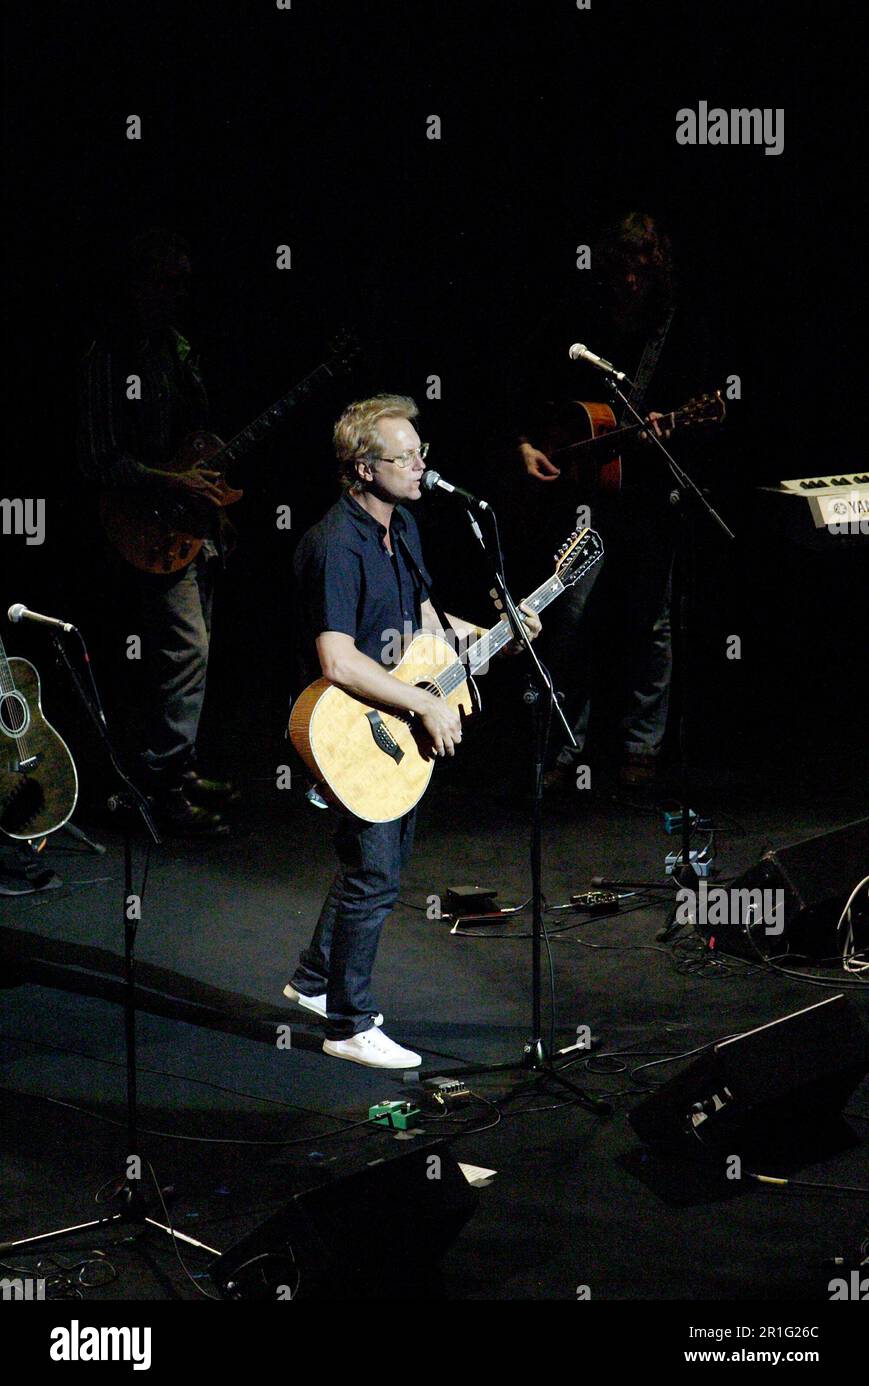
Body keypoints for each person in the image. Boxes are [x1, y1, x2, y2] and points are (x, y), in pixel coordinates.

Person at [286, 394, 541, 1069]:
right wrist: (424, 705)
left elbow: (429, 626)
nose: (421, 466)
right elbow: (337, 659)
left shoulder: (403, 528)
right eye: (405, 457)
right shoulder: (334, 544)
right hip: (354, 728)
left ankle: (314, 981)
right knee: (373, 875)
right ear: (364, 468)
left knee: (370, 868)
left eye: (421, 452)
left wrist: (497, 635)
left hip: (397, 720)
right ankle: (349, 1024)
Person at [516, 212, 709, 791]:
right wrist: (527, 443)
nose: (629, 281)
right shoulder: (581, 317)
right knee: (570, 617)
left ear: (656, 269)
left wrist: (672, 426)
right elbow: (529, 384)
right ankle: (561, 749)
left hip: (650, 495)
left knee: (652, 621)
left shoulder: (675, 329)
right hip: (583, 498)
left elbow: (705, 409)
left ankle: (640, 747)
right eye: (621, 268)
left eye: (640, 270)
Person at [77, 229, 237, 833]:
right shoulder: (109, 356)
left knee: (191, 652)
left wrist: (210, 500)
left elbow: (195, 443)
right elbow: (98, 459)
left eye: (186, 283)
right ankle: (163, 787)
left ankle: (176, 768)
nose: (180, 294)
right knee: (182, 649)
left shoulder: (178, 350)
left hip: (186, 525)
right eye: (169, 281)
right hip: (136, 526)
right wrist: (174, 485)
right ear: (140, 284)